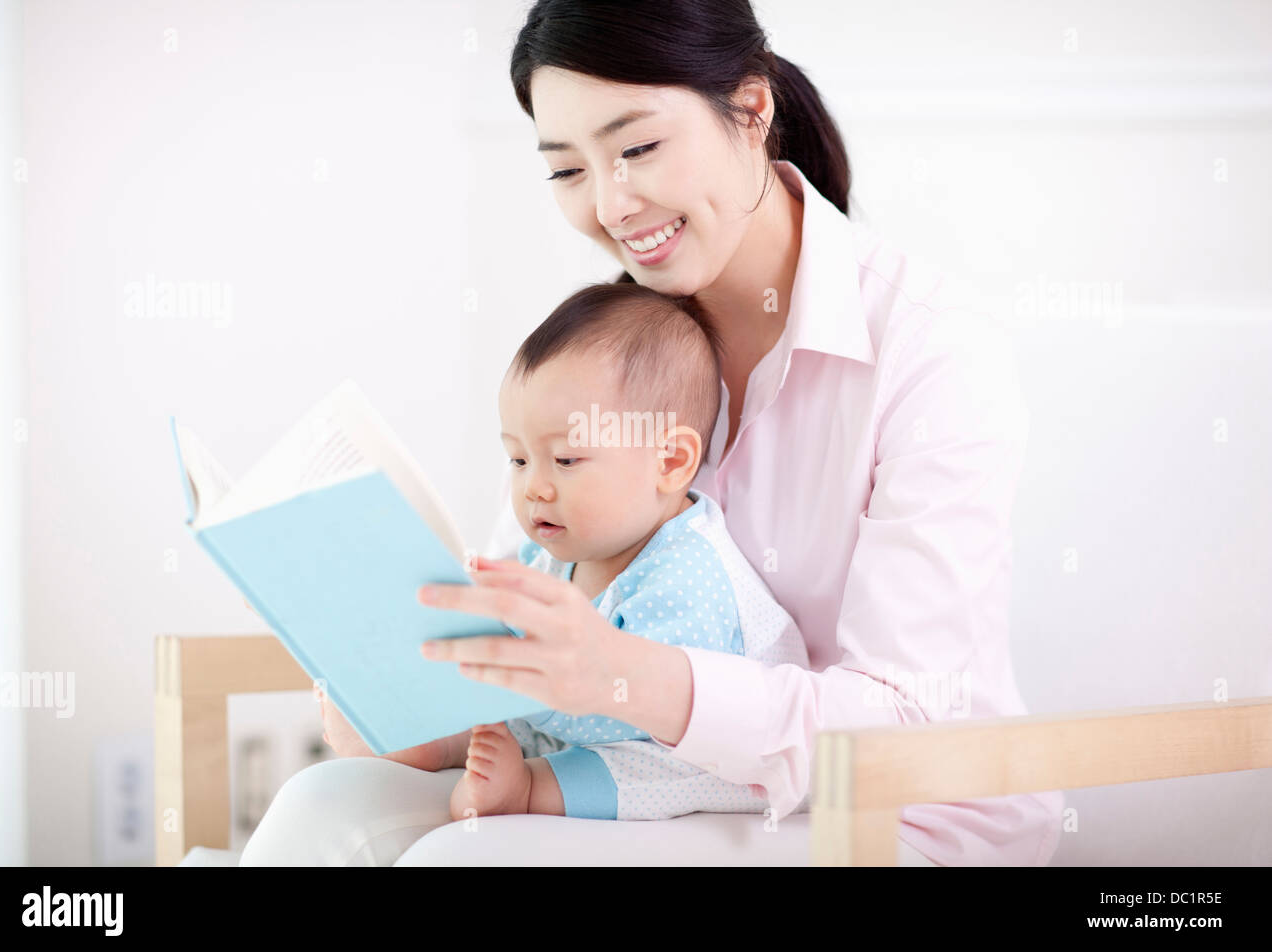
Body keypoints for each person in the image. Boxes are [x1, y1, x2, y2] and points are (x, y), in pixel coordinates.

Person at [238, 0, 1062, 867]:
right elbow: (530, 584)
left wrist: (631, 677)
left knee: (465, 860)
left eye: (637, 148)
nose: (611, 205)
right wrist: (396, 680)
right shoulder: (615, 343)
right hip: (626, 793)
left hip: (888, 822)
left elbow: (908, 717)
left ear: (751, 109)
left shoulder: (930, 348)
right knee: (324, 804)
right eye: (567, 171)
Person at [447, 281, 811, 822]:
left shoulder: (689, 572)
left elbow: (626, 708)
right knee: (481, 711)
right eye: (519, 461)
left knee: (643, 770)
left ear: (668, 462)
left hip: (700, 753)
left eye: (565, 461)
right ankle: (427, 739)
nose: (533, 489)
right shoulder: (560, 545)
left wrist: (512, 678)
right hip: (573, 721)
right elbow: (518, 622)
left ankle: (529, 790)